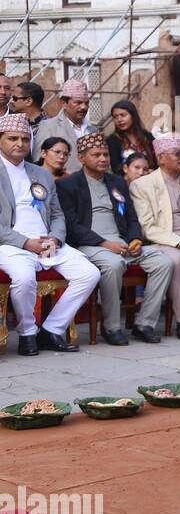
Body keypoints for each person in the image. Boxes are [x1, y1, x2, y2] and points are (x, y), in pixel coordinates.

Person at [56, 134, 177, 346]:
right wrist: (104, 243)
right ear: (82, 158)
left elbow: (131, 217)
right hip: (90, 244)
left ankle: (144, 324)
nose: (102, 159)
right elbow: (71, 226)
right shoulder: (68, 184)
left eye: (105, 154)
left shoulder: (117, 182)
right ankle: (111, 326)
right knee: (112, 265)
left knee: (163, 262)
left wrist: (134, 241)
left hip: (121, 243)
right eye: (96, 155)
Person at [0, 113, 98, 355]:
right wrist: (25, 242)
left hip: (48, 243)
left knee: (90, 273)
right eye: (13, 138)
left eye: (25, 139)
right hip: (11, 244)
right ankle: (27, 333)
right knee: (23, 279)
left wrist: (55, 237)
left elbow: (57, 214)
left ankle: (51, 329)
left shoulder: (41, 173)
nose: (20, 143)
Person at [130, 134, 180, 341]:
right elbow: (148, 227)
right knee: (174, 260)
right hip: (162, 242)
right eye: (177, 154)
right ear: (161, 158)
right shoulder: (142, 185)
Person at [34, 79, 96, 168]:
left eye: (86, 103)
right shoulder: (49, 127)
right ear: (64, 103)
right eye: (78, 102)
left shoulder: (93, 130)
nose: (83, 107)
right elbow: (38, 161)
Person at [105, 99, 156, 173]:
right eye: (115, 117)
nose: (119, 120)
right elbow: (116, 168)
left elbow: (157, 162)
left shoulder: (148, 137)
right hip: (126, 182)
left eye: (123, 115)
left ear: (133, 116)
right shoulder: (112, 140)